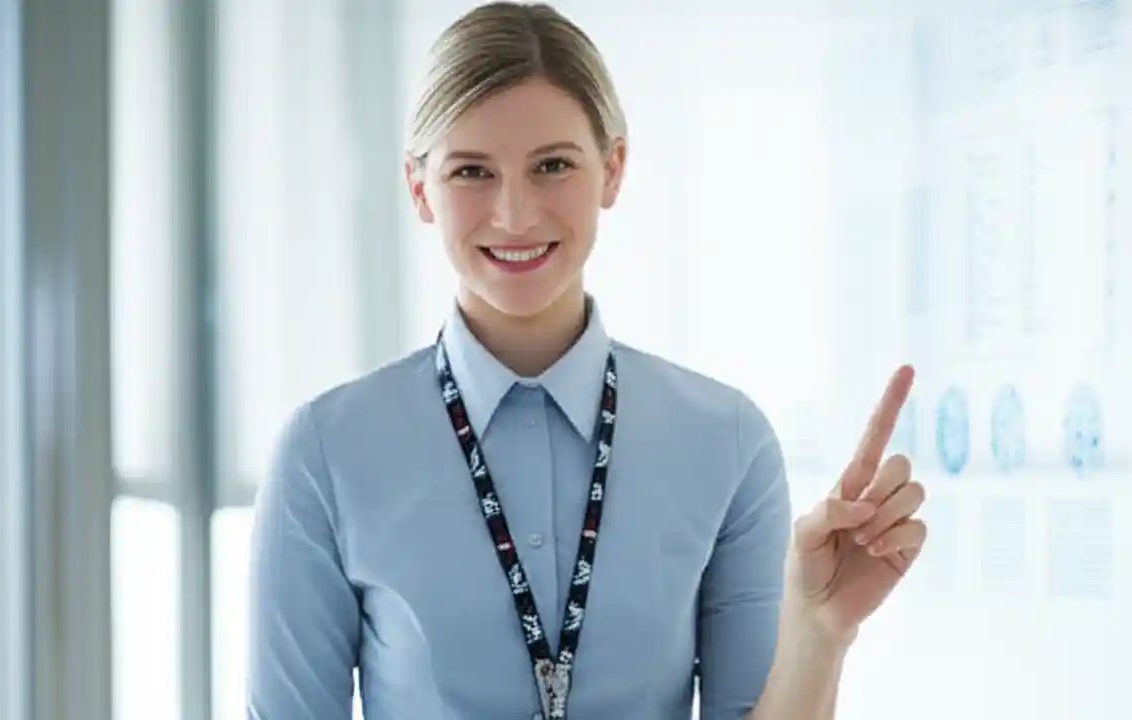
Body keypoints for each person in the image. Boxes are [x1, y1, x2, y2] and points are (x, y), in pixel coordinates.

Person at [246, 3, 927, 719]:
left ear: (613, 169)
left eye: (552, 166)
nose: (513, 215)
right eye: (472, 171)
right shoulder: (326, 451)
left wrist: (820, 634)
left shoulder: (726, 440)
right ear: (420, 188)